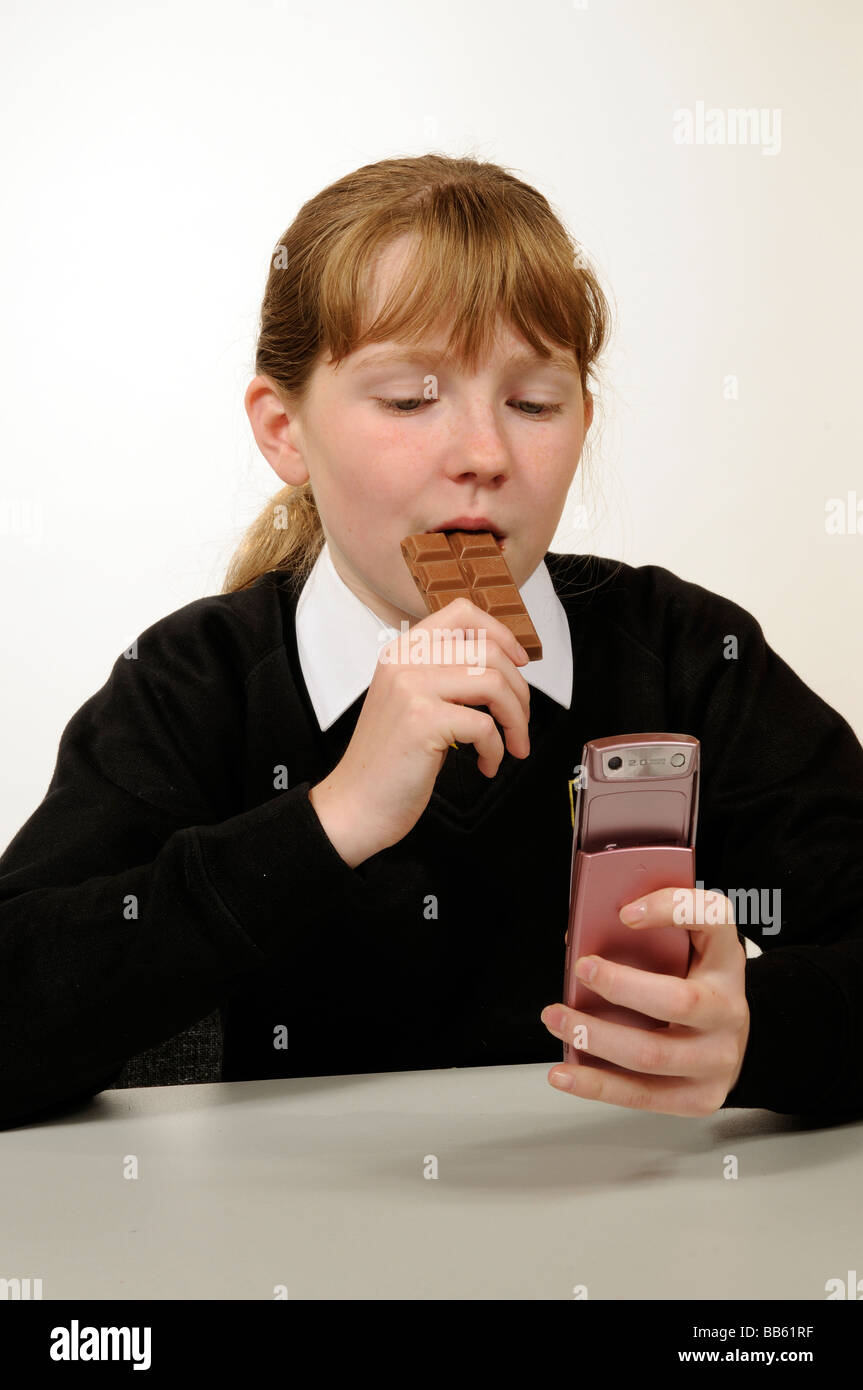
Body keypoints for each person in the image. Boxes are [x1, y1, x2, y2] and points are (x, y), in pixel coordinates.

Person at [1, 153, 861, 1130]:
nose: (484, 456)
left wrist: (759, 1030)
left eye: (532, 402)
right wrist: (335, 814)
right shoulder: (197, 684)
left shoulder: (684, 656)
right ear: (284, 429)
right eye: (411, 400)